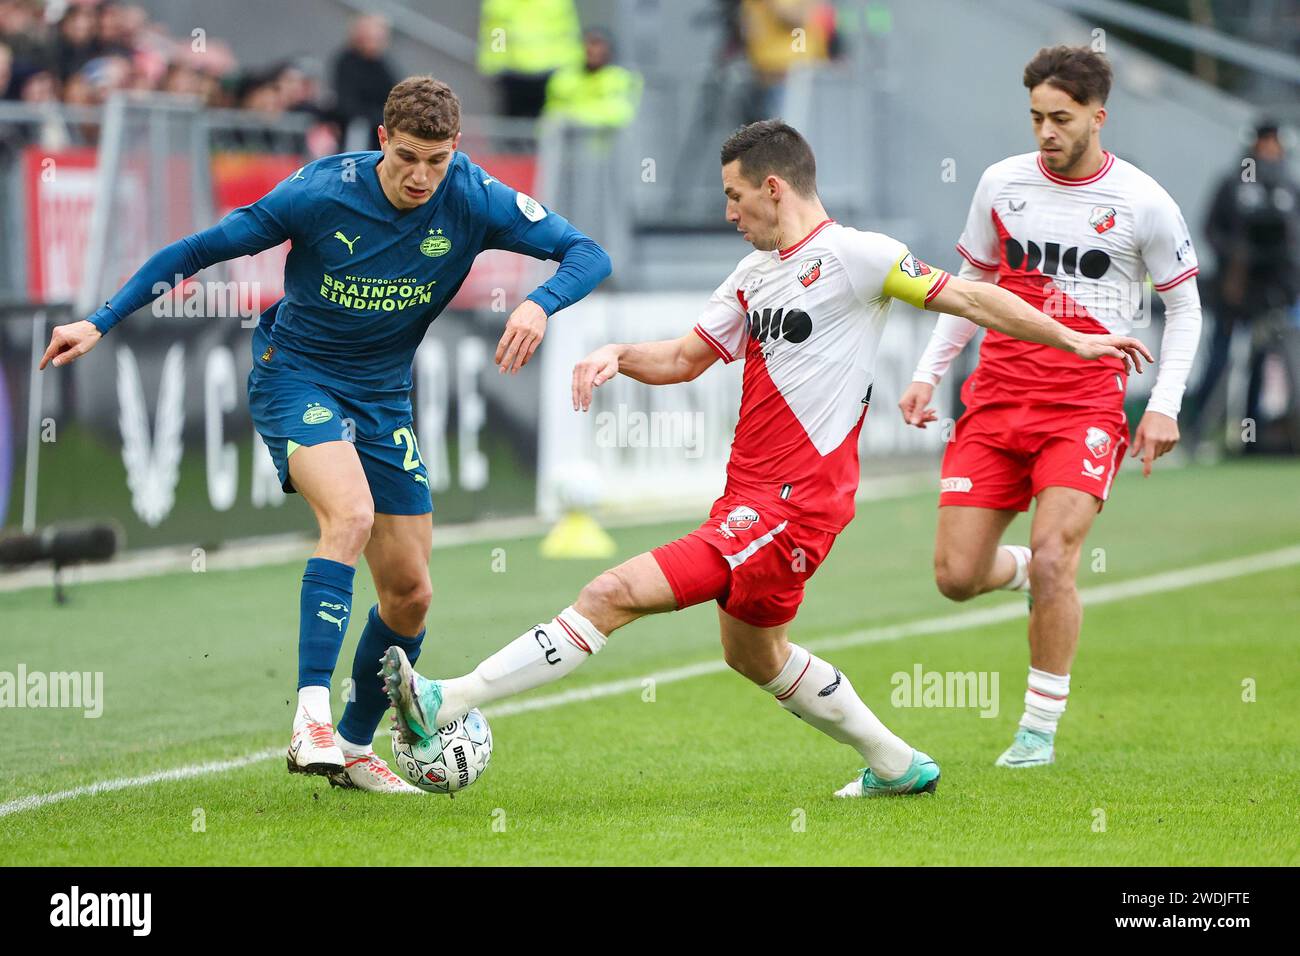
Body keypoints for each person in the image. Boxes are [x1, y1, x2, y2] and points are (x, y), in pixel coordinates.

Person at [382, 119, 1152, 798]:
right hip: (747, 498)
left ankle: (444, 700)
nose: (727, 212)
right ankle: (896, 763)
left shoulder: (858, 256)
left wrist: (1075, 338)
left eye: (734, 196)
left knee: (611, 591)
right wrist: (617, 352)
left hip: (795, 501)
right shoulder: (752, 275)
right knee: (753, 654)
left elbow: (974, 298)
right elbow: (686, 357)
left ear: (774, 188)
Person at [39, 75, 612, 793]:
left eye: (436, 160)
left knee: (411, 595)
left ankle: (350, 745)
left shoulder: (474, 196)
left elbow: (588, 252)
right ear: (380, 140)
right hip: (296, 376)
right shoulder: (319, 192)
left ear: (455, 150)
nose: (421, 176)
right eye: (407, 157)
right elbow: (196, 251)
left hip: (382, 399)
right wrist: (100, 320)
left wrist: (538, 302)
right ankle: (309, 712)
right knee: (350, 514)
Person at [897, 45, 1203, 768]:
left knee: (1057, 551)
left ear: (1099, 115)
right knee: (955, 578)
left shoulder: (1144, 201)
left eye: (1060, 118)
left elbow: (1185, 309)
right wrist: (925, 373)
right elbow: (967, 285)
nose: (1045, 132)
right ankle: (1029, 573)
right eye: (1035, 116)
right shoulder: (1000, 184)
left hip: (1084, 409)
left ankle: (1036, 731)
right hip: (996, 403)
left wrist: (1164, 405)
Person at [1186, 119, 1299, 450]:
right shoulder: (1233, 184)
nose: (1268, 151)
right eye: (1263, 144)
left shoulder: (1288, 188)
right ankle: (1196, 433)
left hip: (1271, 291)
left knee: (1260, 364)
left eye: (1274, 144)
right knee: (1220, 359)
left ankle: (1251, 439)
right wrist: (1235, 255)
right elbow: (1210, 229)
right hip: (1234, 288)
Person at [542, 28, 642, 129]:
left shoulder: (621, 78)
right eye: (590, 46)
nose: (595, 51)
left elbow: (619, 113)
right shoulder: (563, 77)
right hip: (570, 138)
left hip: (607, 138)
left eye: (599, 46)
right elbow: (553, 112)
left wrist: (577, 117)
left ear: (608, 51)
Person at [331, 13, 397, 151]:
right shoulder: (347, 62)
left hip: (376, 129)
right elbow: (347, 102)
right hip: (354, 131)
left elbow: (394, 94)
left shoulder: (383, 65)